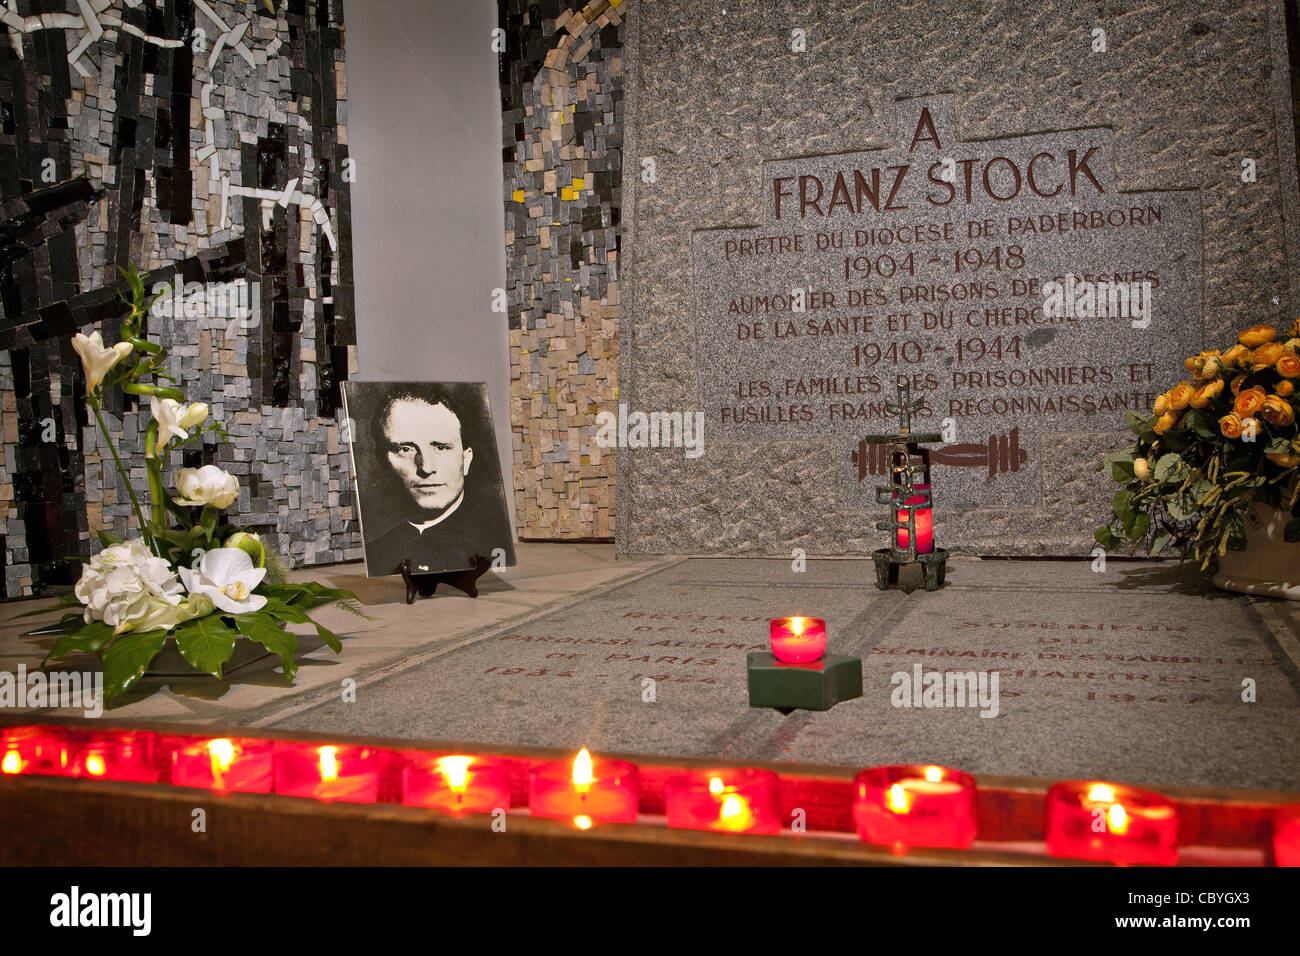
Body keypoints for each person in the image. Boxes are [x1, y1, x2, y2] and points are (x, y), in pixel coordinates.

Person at [364, 388, 498, 575]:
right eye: (405, 449)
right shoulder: (375, 553)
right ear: (384, 463)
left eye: (441, 447)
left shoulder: (497, 540)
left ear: (466, 459)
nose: (426, 468)